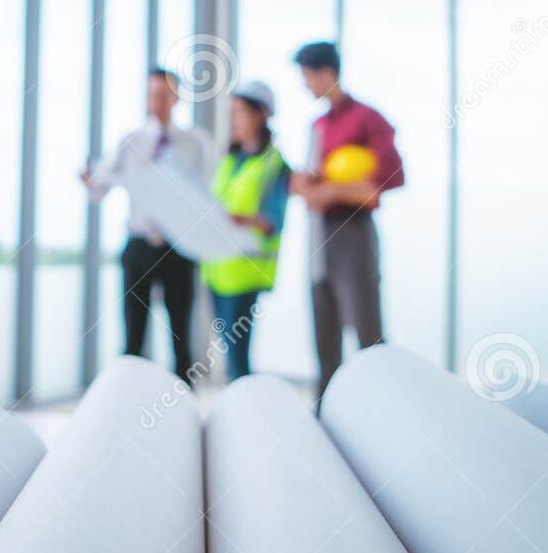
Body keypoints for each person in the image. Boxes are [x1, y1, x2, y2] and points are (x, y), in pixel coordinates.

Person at [289, 41, 405, 402]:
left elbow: (393, 178)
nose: (305, 84)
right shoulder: (318, 124)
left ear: (327, 73)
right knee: (325, 336)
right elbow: (318, 178)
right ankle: (328, 413)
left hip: (352, 234)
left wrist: (335, 192)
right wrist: (308, 183)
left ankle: (385, 409)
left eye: (307, 76)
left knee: (367, 332)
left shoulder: (367, 119)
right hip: (318, 236)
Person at [82, 67, 213, 381]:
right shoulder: (131, 142)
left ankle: (184, 401)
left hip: (177, 247)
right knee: (133, 332)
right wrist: (90, 182)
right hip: (139, 245)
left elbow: (206, 194)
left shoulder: (194, 145)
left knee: (181, 332)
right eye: (152, 93)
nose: (157, 100)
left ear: (177, 96)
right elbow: (101, 187)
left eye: (164, 94)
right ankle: (127, 398)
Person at [201, 81, 289, 381]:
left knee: (238, 360)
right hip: (217, 269)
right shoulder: (228, 160)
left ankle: (245, 413)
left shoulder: (274, 164)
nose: (233, 120)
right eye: (231, 112)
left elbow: (272, 219)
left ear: (262, 115)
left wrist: (240, 220)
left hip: (247, 269)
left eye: (240, 112)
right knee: (229, 353)